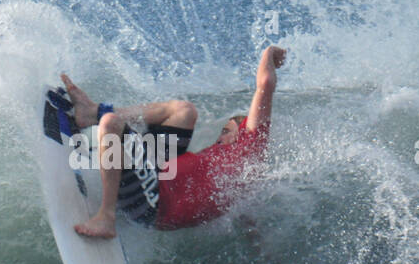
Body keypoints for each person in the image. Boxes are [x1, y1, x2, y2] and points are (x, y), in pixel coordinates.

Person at [61, 45, 286, 239]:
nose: (220, 137)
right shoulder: (240, 177)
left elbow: (265, 83)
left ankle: (106, 217)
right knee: (184, 111)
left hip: (157, 202)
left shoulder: (250, 146)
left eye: (227, 131)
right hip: (158, 175)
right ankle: (92, 113)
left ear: (241, 134)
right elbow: (245, 219)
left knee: (111, 124)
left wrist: (269, 54)